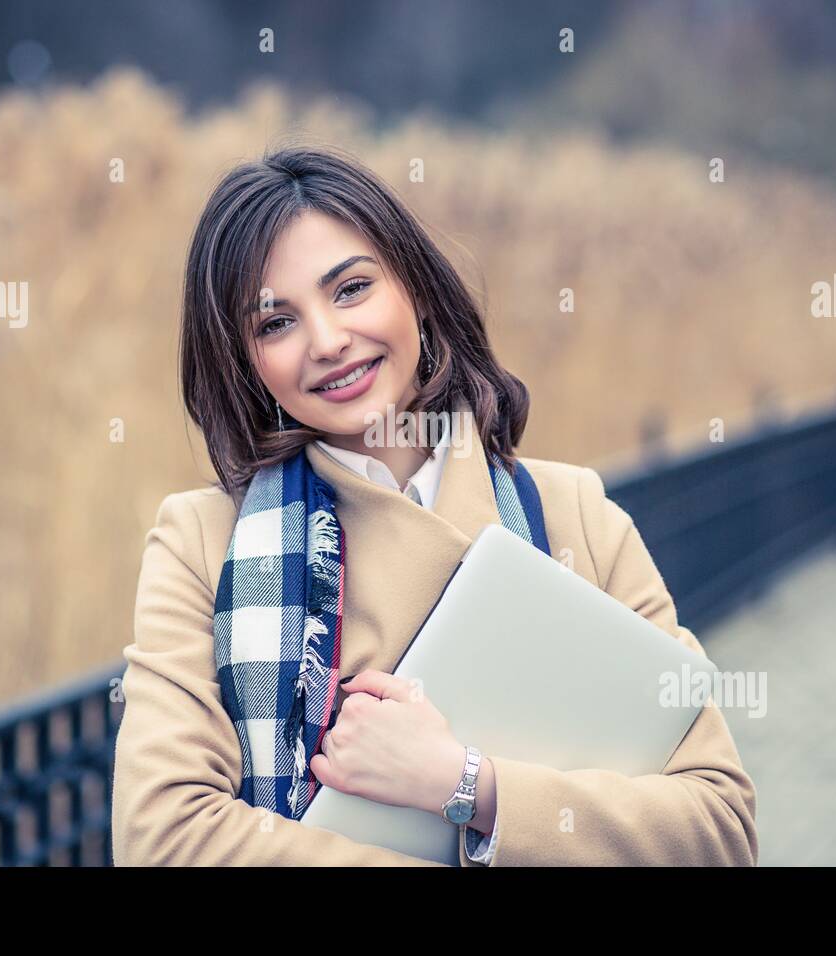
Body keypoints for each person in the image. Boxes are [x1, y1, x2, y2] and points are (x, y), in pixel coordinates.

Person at [110, 143, 758, 866]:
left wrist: (466, 785)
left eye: (352, 289)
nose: (328, 340)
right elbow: (163, 839)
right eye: (275, 323)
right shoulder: (203, 542)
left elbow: (719, 828)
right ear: (246, 362)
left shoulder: (574, 516)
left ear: (416, 291)